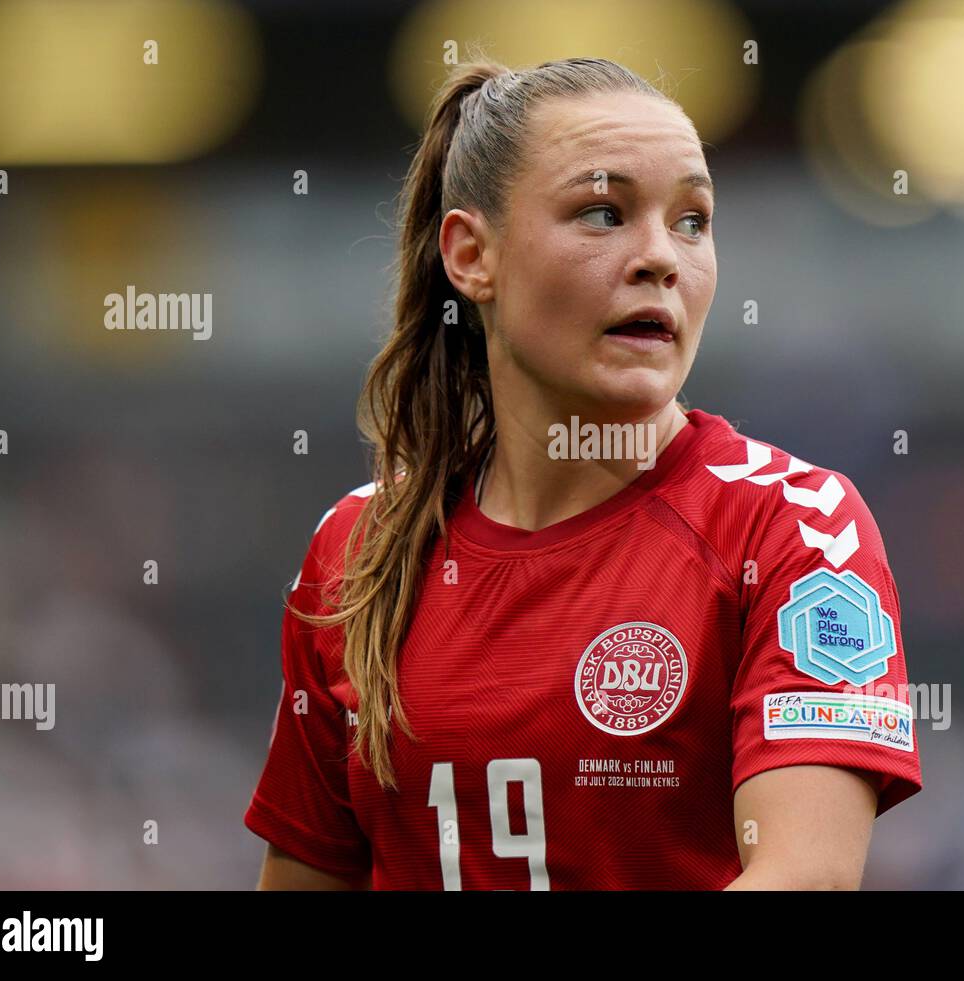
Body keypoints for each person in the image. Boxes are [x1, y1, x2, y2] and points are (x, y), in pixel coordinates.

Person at [244, 55, 922, 890]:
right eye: (603, 213)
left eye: (692, 221)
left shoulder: (796, 525)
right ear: (471, 256)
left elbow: (806, 876)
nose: (660, 259)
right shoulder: (357, 551)